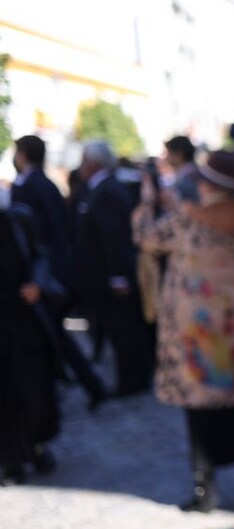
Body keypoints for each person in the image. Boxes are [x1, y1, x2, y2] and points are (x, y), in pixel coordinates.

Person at [132, 150, 234, 512]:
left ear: (208, 184)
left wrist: (148, 201)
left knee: (201, 404)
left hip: (199, 330)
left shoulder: (187, 220)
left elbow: (147, 238)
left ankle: (205, 486)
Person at [12, 135, 107, 410]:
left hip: (45, 275)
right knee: (55, 334)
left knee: (52, 334)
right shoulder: (45, 183)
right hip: (56, 270)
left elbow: (31, 238)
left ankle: (79, 386)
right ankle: (79, 383)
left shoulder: (29, 186)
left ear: (24, 153)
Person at [74, 141, 152, 396]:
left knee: (124, 331)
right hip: (104, 275)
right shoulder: (101, 189)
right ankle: (132, 378)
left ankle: (132, 381)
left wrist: (117, 275)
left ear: (94, 162)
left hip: (113, 277)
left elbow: (114, 237)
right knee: (120, 330)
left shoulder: (107, 191)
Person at [0, 185, 63, 484]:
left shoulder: (19, 218)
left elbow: (39, 255)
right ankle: (11, 460)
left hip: (24, 319)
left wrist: (38, 284)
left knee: (34, 389)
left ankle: (37, 446)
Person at [163, 135, 202, 203]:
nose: (166, 157)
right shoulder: (190, 173)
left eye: (168, 152)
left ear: (179, 154)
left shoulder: (189, 178)